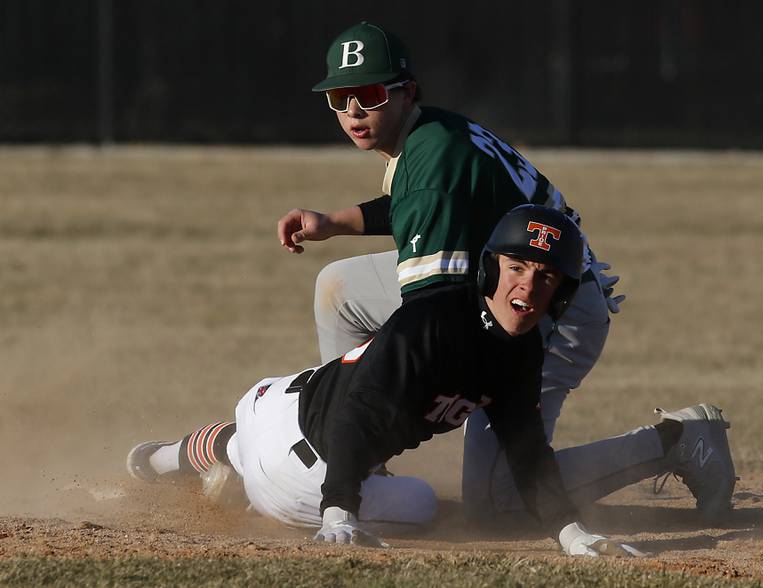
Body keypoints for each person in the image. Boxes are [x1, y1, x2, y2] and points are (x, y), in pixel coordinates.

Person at [276, 21, 736, 521]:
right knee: (338, 289)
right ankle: (363, 466)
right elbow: (411, 207)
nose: (353, 112)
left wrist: (398, 402)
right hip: (496, 282)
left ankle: (679, 441)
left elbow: (429, 317)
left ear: (406, 92)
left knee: (497, 499)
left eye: (368, 94)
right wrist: (334, 223)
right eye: (340, 98)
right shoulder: (431, 134)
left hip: (550, 305)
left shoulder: (435, 163)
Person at [128, 206, 648, 556]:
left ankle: (163, 458)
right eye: (517, 267)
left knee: (256, 439)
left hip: (271, 400)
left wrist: (571, 531)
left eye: (546, 277)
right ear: (490, 270)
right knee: (421, 502)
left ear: (561, 294)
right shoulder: (436, 324)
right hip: (304, 483)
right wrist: (338, 511)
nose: (528, 287)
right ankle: (242, 470)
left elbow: (526, 446)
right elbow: (356, 417)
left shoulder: (520, 349)